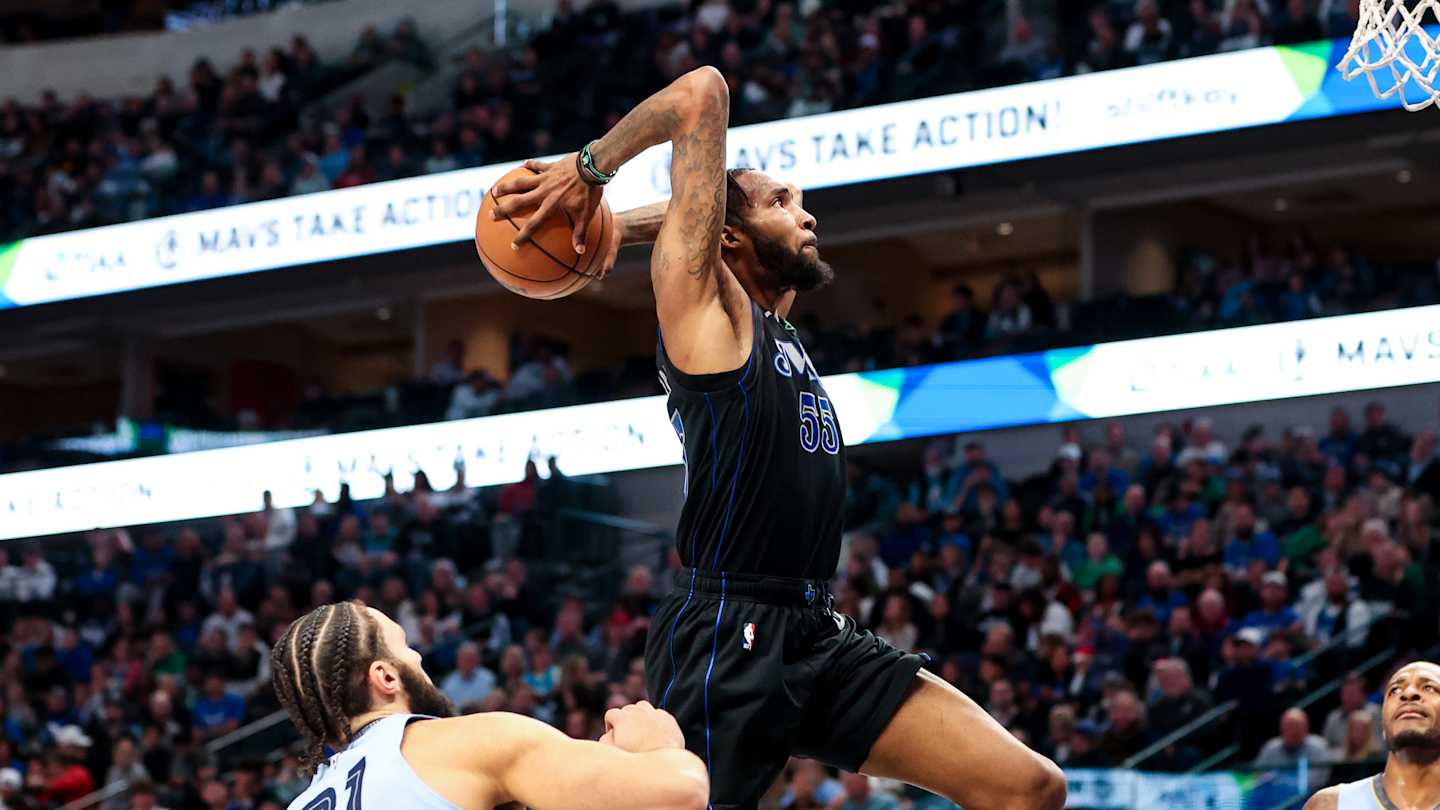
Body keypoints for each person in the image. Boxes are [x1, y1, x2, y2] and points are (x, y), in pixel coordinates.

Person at [492, 66, 1065, 810]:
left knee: (1030, 788)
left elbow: (703, 215)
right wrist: (588, 172)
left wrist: (608, 228)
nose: (807, 214)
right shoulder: (708, 310)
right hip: (728, 629)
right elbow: (702, 94)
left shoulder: (778, 323)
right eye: (781, 201)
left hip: (817, 629)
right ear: (727, 234)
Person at [274, 601, 709, 810]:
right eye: (406, 648)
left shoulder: (301, 804)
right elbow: (680, 790)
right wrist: (658, 746)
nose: (420, 659)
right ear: (386, 677)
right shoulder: (457, 744)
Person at [1305, 661, 1440, 809]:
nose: (1407, 693)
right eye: (1394, 690)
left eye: (1429, 687)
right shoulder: (1329, 805)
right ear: (1384, 725)